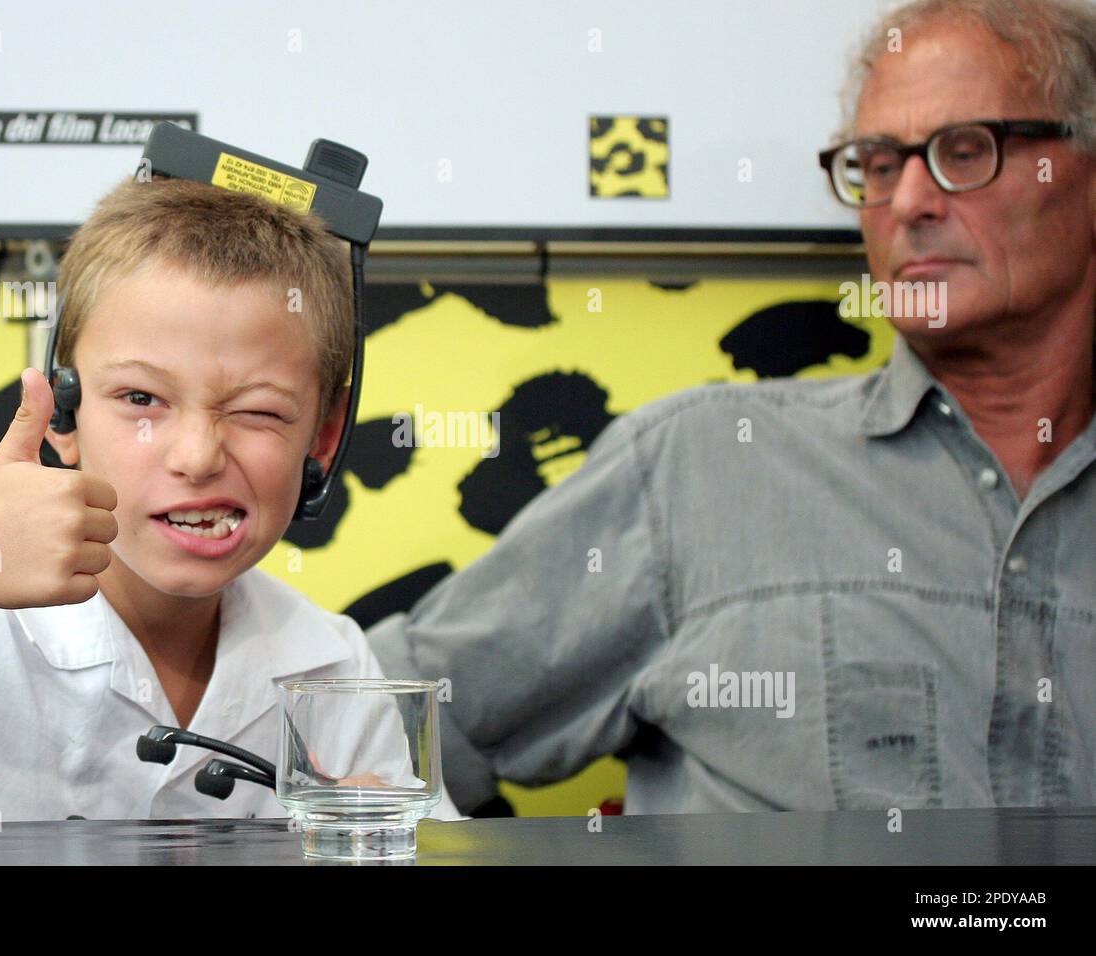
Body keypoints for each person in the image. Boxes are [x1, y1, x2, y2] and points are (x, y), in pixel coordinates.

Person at [369, 0, 1096, 815]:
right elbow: (370, 723)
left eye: (967, 152)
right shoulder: (706, 466)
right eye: (880, 164)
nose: (908, 203)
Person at [0, 175, 461, 825]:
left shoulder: (331, 662)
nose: (198, 457)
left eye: (258, 411)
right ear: (63, 407)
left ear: (323, 436)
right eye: (141, 399)